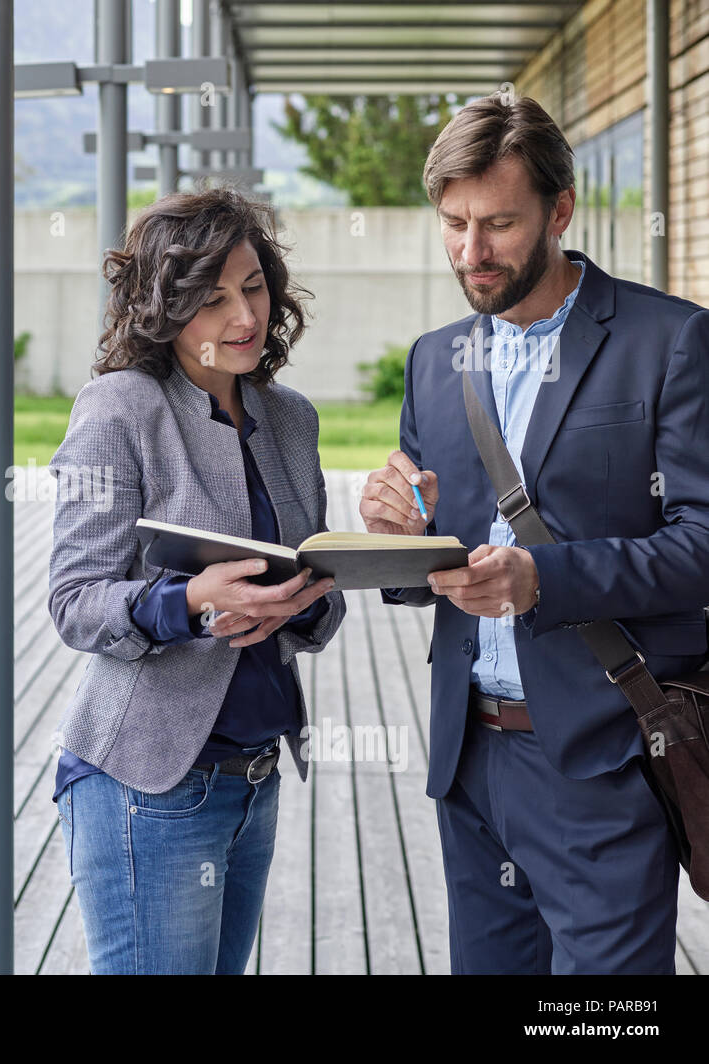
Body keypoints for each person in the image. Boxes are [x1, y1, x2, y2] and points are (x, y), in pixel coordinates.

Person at [362, 94, 709, 974]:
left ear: (560, 210)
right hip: (467, 759)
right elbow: (425, 570)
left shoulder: (668, 341)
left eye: (500, 224)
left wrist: (542, 581)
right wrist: (395, 532)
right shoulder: (435, 361)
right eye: (454, 224)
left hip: (602, 762)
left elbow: (702, 545)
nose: (471, 254)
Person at [48, 188, 346, 975]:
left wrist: (306, 601)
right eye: (211, 300)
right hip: (148, 787)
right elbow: (74, 603)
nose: (243, 316)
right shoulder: (118, 410)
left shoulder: (291, 419)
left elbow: (316, 584)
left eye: (252, 286)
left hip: (255, 779)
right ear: (164, 309)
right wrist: (191, 602)